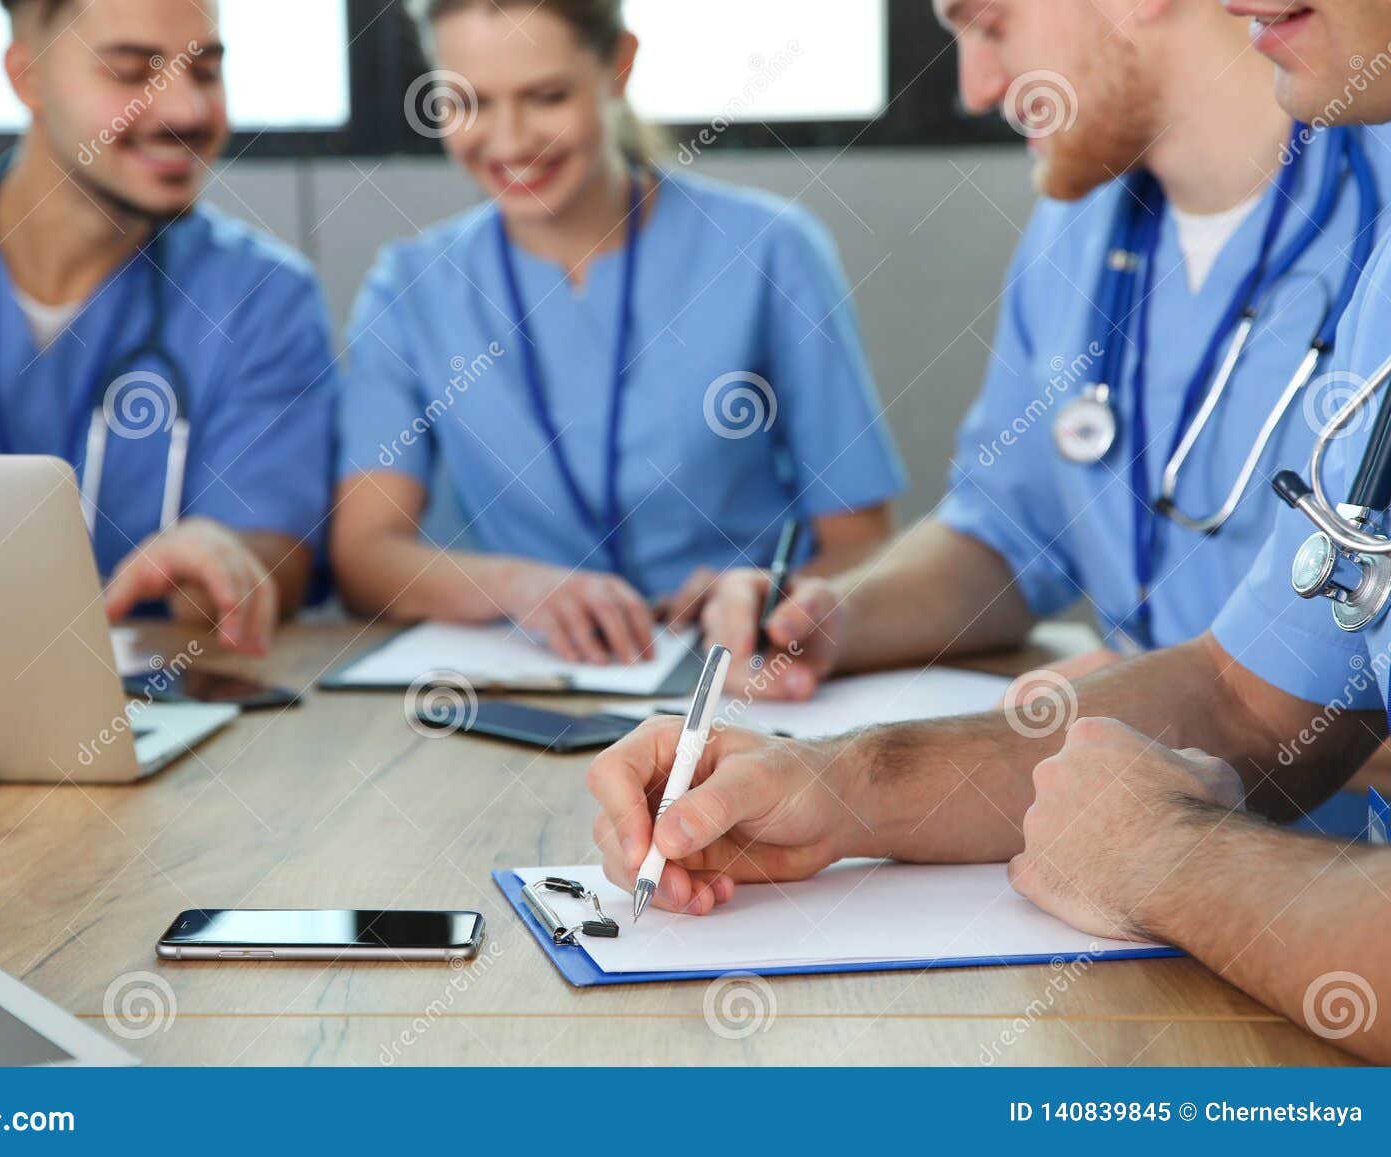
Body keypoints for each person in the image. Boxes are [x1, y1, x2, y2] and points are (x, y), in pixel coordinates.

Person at [585, 0, 1391, 1065]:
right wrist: (835, 783)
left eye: (988, 20)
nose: (969, 86)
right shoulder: (1097, 223)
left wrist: (1166, 851)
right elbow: (1243, 693)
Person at [683, 0, 1388, 701]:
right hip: (1125, 795)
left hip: (1329, 813)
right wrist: (836, 615)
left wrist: (1177, 706)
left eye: (992, 27)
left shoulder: (1375, 204)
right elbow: (1010, 537)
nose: (977, 89)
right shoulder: (1076, 230)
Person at [329, 0, 905, 667]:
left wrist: (770, 594)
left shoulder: (772, 252)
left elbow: (864, 541)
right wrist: (518, 587)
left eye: (545, 96)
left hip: (739, 669)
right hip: (531, 679)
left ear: (618, 67)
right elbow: (364, 557)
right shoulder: (409, 288)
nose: (510, 140)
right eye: (468, 102)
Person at [0, 0, 333, 656]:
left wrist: (225, 559)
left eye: (207, 72)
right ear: (27, 77)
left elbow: (269, 551)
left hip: (149, 715)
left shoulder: (262, 297)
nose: (187, 111)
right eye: (133, 72)